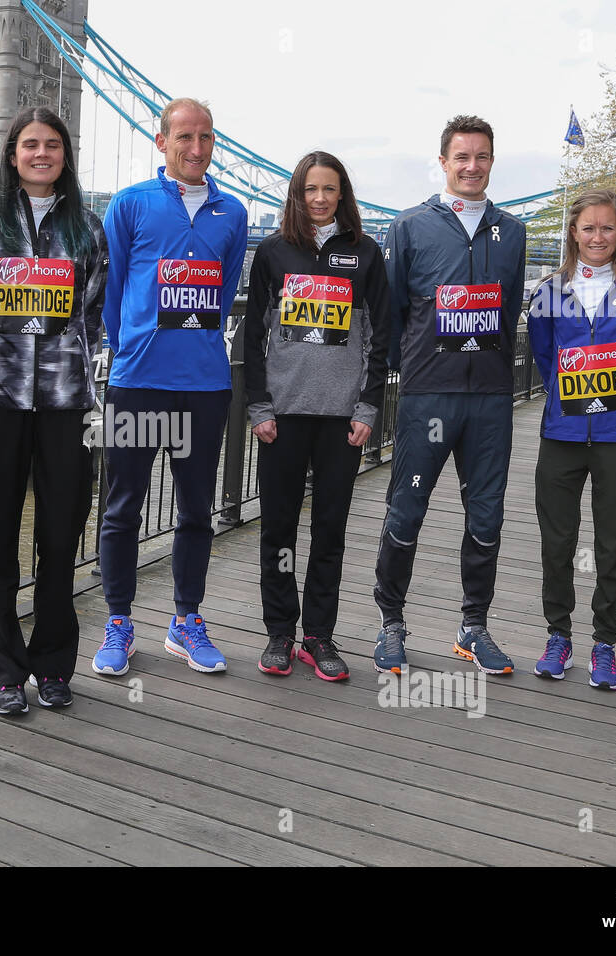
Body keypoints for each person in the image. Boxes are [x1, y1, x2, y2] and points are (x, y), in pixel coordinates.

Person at [91, 97, 247, 676]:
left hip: (204, 386)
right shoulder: (129, 205)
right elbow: (111, 290)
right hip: (137, 381)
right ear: (162, 142)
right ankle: (119, 622)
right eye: (184, 137)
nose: (196, 148)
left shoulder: (234, 212)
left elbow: (227, 290)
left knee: (196, 510)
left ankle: (186, 622)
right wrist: (129, 344)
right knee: (122, 508)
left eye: (205, 137)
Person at [0, 107, 107, 715]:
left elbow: (93, 315)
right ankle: (2, 671)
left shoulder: (88, 230)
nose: (41, 154)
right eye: (29, 145)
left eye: (52, 145)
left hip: (65, 404)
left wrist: (79, 364)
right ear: (12, 154)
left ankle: (52, 666)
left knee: (59, 534)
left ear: (65, 156)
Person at [372, 114, 526, 676]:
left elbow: (510, 311)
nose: (471, 166)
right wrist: (401, 375)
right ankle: (391, 624)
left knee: (486, 516)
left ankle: (473, 627)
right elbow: (392, 311)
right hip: (426, 395)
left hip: (489, 396)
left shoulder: (512, 230)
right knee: (405, 511)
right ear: (443, 161)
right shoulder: (410, 226)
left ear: (492, 161)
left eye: (481, 156)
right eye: (461, 156)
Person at [242, 151, 389, 681]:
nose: (320, 199)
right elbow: (251, 335)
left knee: (330, 531)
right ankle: (279, 633)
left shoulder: (367, 254)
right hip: (281, 416)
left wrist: (368, 407)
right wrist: (259, 407)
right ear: (296, 196)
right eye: (310, 190)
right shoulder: (273, 254)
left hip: (341, 419)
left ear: (343, 195)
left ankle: (319, 637)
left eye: (330, 190)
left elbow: (381, 340)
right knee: (278, 530)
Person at [526, 189, 616, 689]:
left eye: (607, 228)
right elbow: (544, 357)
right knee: (557, 540)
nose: (597, 237)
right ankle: (558, 636)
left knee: (615, 541)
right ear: (573, 232)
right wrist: (574, 400)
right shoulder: (548, 291)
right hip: (561, 433)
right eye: (588, 227)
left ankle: (604, 642)